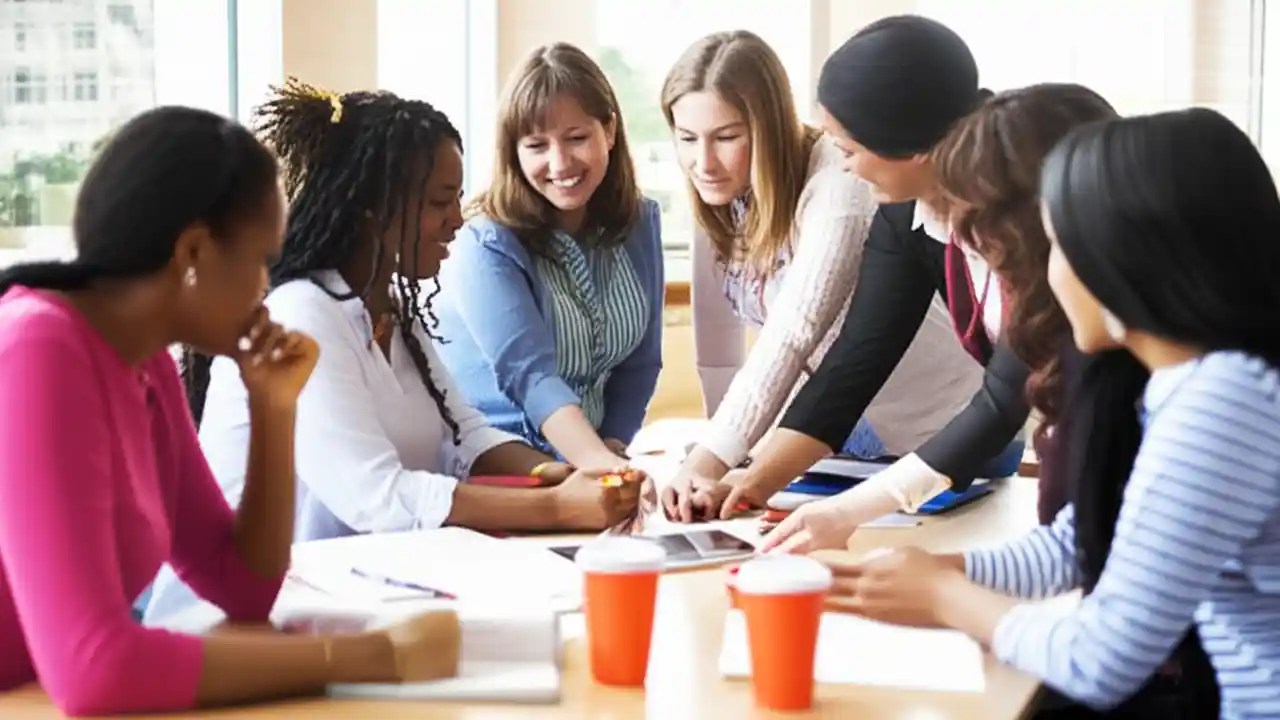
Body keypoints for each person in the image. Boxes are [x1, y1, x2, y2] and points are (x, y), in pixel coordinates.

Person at [0, 107, 460, 716]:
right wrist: (372, 656)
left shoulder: (144, 362)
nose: (266, 287)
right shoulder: (37, 350)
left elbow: (242, 587)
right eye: (261, 260)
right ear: (193, 250)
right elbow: (96, 670)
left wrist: (274, 407)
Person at [826, 108, 1278, 719]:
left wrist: (941, 595)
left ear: (1124, 256)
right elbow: (1082, 542)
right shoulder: (1195, 384)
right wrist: (936, 572)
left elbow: (1100, 661)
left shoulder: (1221, 400)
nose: (1044, 275)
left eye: (1060, 245)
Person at [144, 81, 642, 627]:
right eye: (437, 203)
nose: (457, 219)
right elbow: (378, 498)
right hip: (242, 618)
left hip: (361, 589)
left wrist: (561, 473)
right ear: (371, 212)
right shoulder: (303, 314)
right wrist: (556, 508)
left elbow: (466, 433)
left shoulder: (392, 308)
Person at [718, 15, 1036, 552]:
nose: (844, 170)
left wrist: (849, 510)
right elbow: (857, 360)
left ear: (915, 151)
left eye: (847, 151)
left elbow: (1003, 399)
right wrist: (752, 481)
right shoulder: (902, 216)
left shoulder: (1024, 229)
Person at [657, 30, 982, 523]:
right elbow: (826, 362)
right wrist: (726, 465)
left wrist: (713, 458)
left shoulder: (846, 188)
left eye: (726, 137)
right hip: (830, 431)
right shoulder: (727, 197)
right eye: (686, 138)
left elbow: (795, 334)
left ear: (767, 126)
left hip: (930, 433)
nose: (704, 162)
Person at [434, 43, 664, 471]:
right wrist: (602, 468)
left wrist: (610, 448)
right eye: (537, 145)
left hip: (589, 461)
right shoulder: (484, 241)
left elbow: (641, 362)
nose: (560, 163)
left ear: (609, 131)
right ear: (513, 151)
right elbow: (532, 376)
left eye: (577, 138)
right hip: (498, 467)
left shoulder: (640, 221)